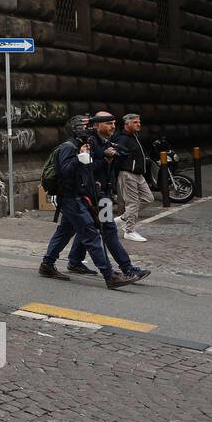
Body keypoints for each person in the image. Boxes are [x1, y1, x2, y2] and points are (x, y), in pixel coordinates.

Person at [39, 115, 135, 289]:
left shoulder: (83, 146)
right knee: (91, 234)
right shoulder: (68, 148)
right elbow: (66, 172)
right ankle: (109, 275)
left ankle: (47, 264)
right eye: (86, 126)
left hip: (83, 196)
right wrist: (80, 158)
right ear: (76, 129)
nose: (90, 129)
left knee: (65, 232)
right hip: (70, 197)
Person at [65, 112, 149, 280]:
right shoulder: (90, 143)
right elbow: (87, 170)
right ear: (97, 125)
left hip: (101, 194)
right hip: (95, 196)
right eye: (109, 123)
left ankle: (74, 261)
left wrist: (113, 157)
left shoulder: (105, 142)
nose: (113, 127)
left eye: (113, 123)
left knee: (89, 229)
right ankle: (127, 268)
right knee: (108, 230)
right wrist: (106, 158)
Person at [113, 113, 154, 241]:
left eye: (139, 122)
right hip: (127, 174)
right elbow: (118, 157)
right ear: (127, 124)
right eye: (135, 122)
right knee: (132, 203)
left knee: (148, 198)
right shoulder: (122, 138)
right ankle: (129, 231)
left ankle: (123, 218)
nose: (139, 124)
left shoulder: (134, 136)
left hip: (138, 174)